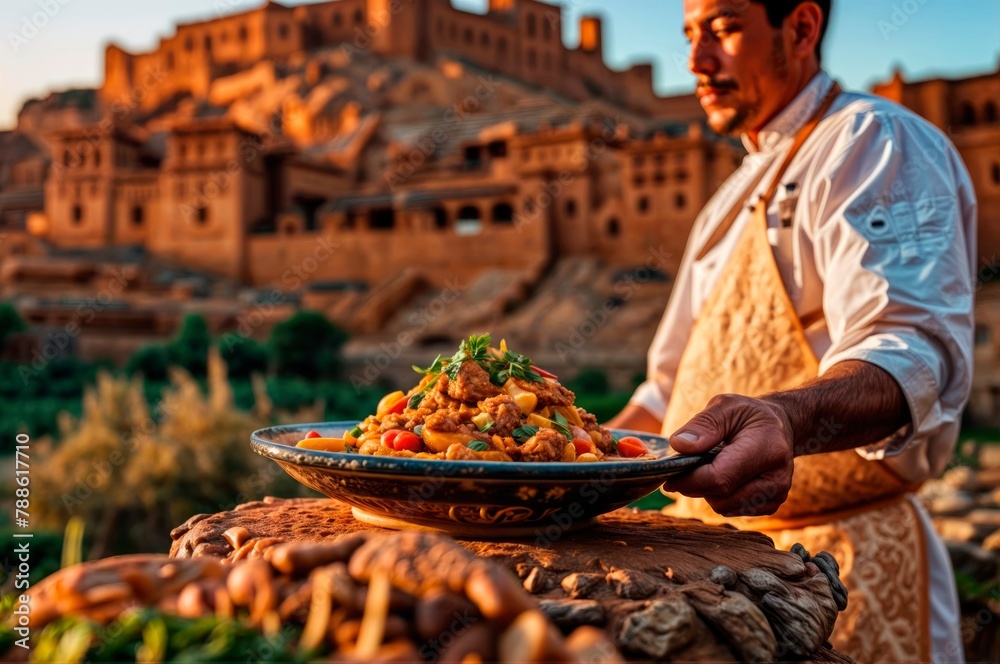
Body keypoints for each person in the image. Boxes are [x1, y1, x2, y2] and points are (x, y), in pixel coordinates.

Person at [607, 1, 976, 661]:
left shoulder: (872, 141)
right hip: (714, 585)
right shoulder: (729, 196)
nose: (696, 62)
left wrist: (788, 419)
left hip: (847, 572)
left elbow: (913, 350)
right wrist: (570, 464)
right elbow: (665, 396)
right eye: (690, 36)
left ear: (801, 28)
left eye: (723, 30)